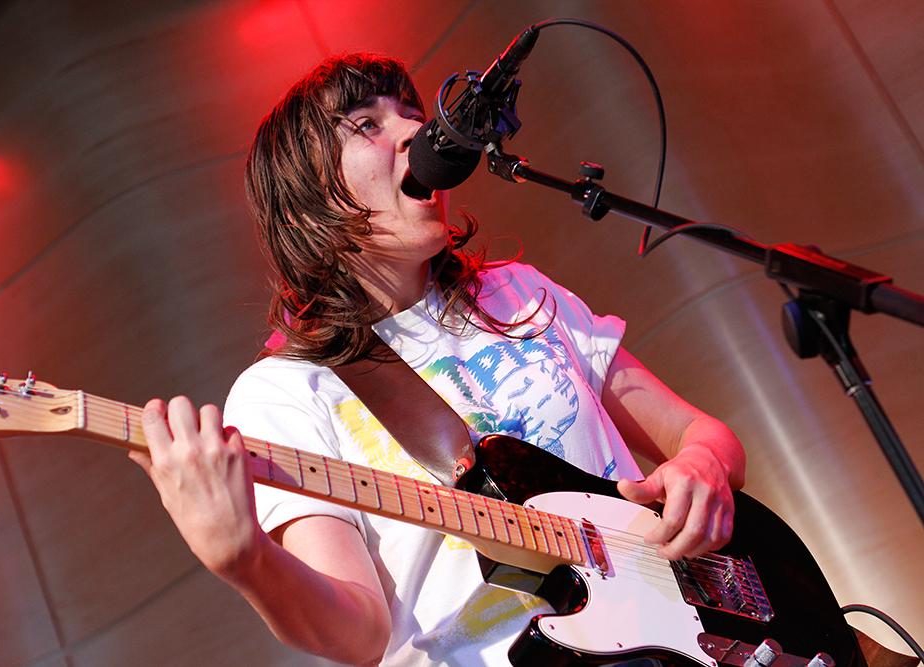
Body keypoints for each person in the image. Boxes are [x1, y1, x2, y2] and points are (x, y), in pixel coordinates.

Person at [129, 53, 746, 666]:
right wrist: (247, 560)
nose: (415, 135)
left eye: (412, 114)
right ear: (305, 197)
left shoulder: (519, 293)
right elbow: (361, 633)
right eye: (367, 124)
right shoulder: (286, 392)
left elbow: (705, 436)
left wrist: (701, 465)